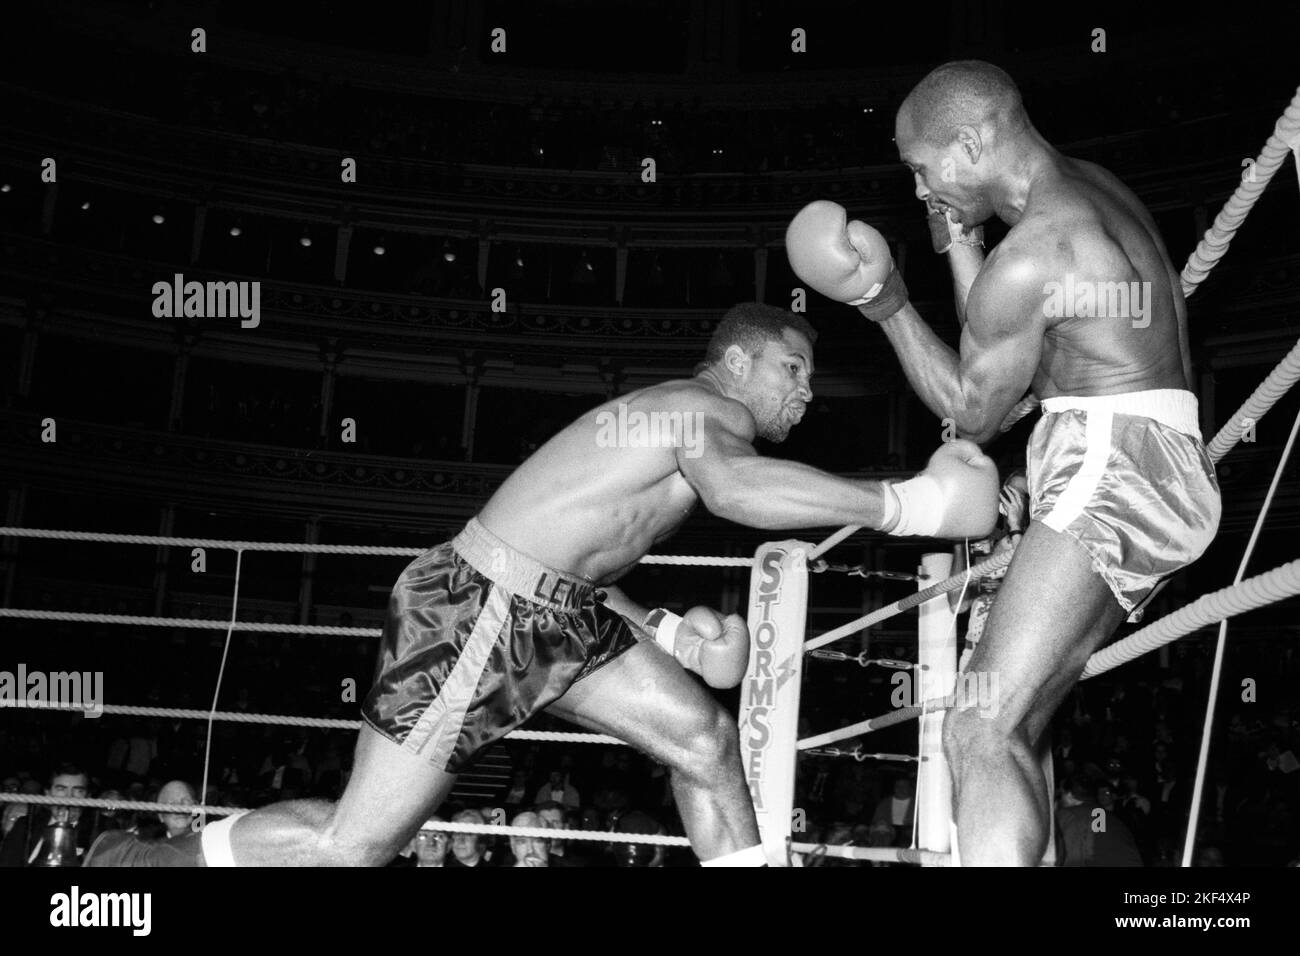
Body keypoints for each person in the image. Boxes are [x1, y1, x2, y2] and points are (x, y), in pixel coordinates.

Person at [87, 301, 998, 868]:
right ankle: (142, 860)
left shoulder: (680, 426)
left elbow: (580, 565)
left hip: (559, 613)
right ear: (736, 362)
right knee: (352, 848)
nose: (806, 393)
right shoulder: (706, 411)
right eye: (792, 368)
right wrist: (907, 502)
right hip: (476, 611)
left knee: (705, 741)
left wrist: (667, 632)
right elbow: (735, 490)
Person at [786, 60, 1220, 866]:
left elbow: (969, 410)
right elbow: (1002, 329)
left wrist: (882, 303)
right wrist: (960, 236)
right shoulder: (1090, 190)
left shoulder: (1039, 252)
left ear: (972, 140)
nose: (918, 190)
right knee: (1016, 720)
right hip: (1145, 456)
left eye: (921, 168)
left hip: (1112, 466)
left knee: (980, 725)